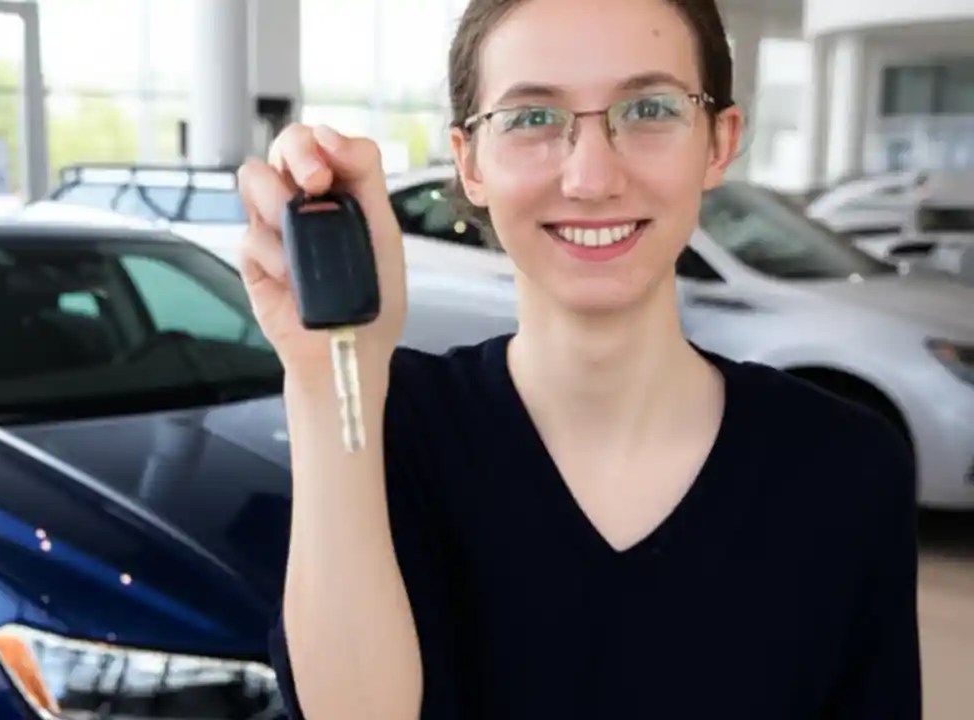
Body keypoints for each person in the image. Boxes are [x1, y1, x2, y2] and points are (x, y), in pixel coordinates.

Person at [235, 0, 922, 717]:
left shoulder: (846, 466)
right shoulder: (390, 428)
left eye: (650, 109)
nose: (592, 178)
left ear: (719, 143)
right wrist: (325, 374)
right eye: (532, 118)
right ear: (469, 162)